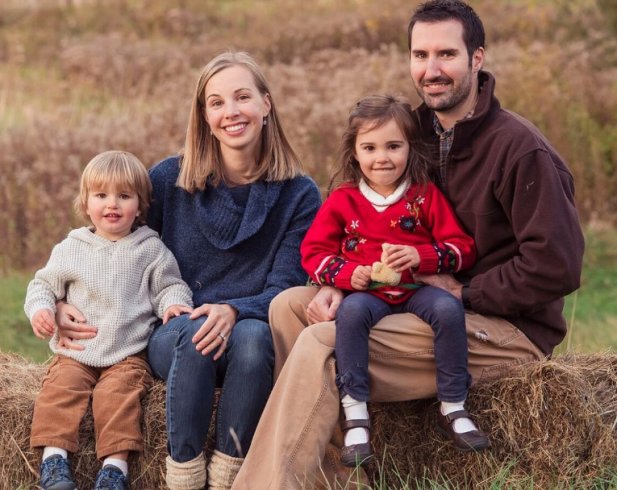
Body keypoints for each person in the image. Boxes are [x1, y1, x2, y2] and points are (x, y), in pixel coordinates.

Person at [232, 1, 585, 488]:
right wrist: (340, 280)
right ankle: (339, 476)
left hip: (502, 328)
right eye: (420, 55)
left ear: (477, 59)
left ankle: (266, 484)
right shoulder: (409, 133)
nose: (431, 70)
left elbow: (556, 267)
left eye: (446, 54)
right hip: (410, 299)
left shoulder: (520, 149)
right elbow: (371, 221)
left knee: (320, 343)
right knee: (292, 307)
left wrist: (464, 293)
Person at [54, 51, 322, 490]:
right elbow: (113, 248)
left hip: (250, 331)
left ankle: (230, 474)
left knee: (254, 339)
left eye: (242, 97)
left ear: (266, 105)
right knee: (195, 337)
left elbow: (287, 286)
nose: (230, 112)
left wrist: (233, 309)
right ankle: (183, 473)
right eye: (216, 102)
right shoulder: (167, 179)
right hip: (172, 330)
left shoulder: (299, 193)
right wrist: (63, 302)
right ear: (204, 115)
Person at [301, 94, 487, 466]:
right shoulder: (343, 200)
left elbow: (462, 247)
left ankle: (454, 404)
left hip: (418, 289)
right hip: (368, 293)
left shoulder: (423, 195)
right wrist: (346, 275)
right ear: (354, 153)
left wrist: (423, 257)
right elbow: (312, 253)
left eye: (393, 146)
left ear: (410, 149)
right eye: (369, 147)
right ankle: (355, 412)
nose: (381, 157)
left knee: (449, 309)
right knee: (350, 316)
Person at [24, 150, 194, 490]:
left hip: (127, 354)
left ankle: (114, 470)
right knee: (60, 390)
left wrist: (174, 305)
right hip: (77, 350)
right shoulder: (73, 247)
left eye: (124, 196)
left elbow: (170, 286)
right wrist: (42, 310)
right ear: (86, 204)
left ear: (141, 205)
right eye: (101, 195)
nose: (112, 204)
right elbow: (43, 284)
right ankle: (54, 461)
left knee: (118, 398)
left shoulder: (150, 249)